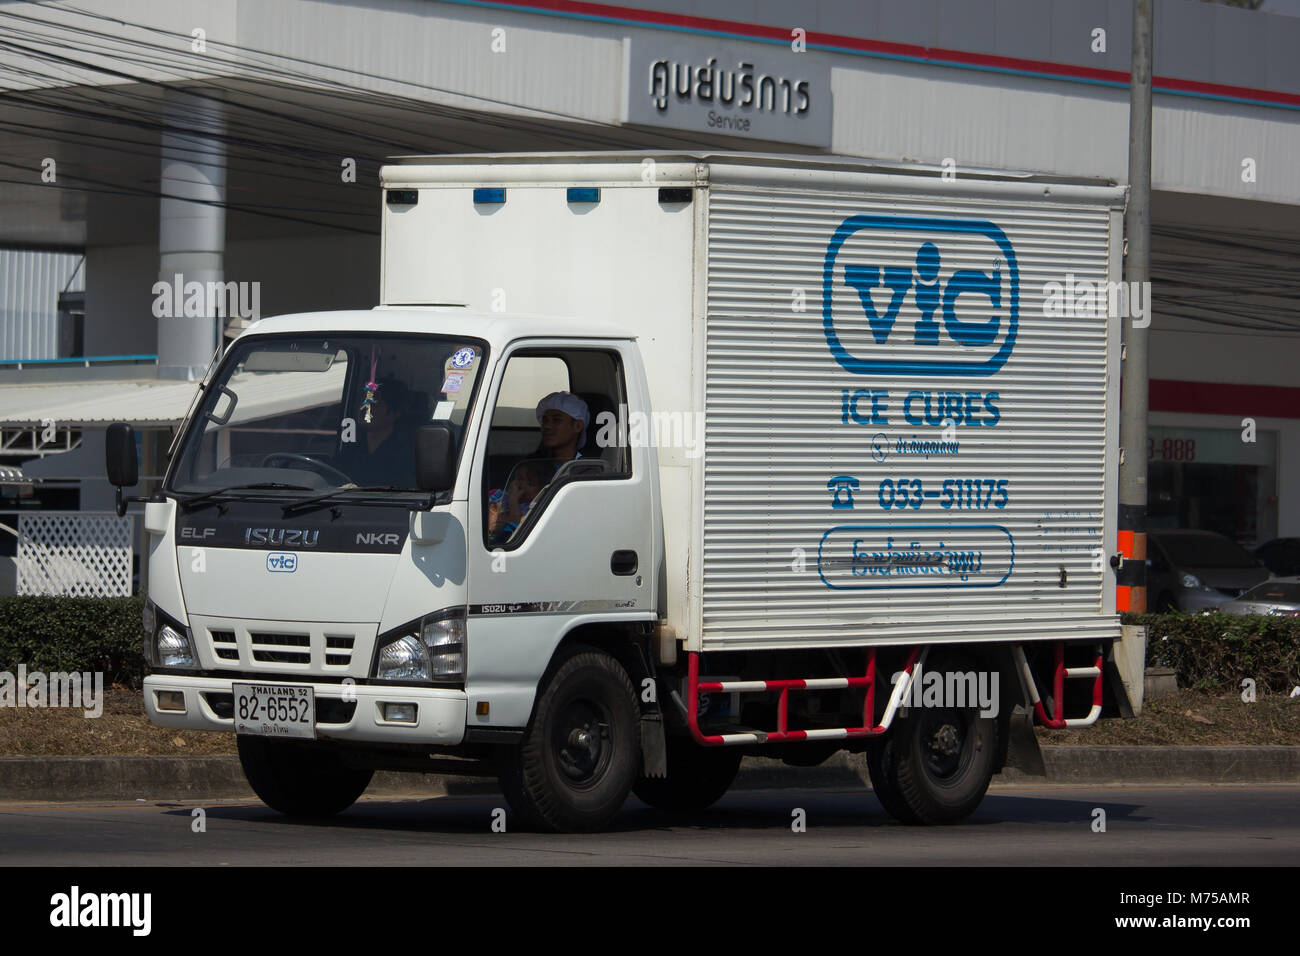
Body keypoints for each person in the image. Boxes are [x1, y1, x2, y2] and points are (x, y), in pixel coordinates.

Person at [336, 377, 416, 487]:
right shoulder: (352, 449)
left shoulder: (406, 455)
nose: (365, 407)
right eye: (364, 401)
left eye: (374, 403)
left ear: (394, 413)